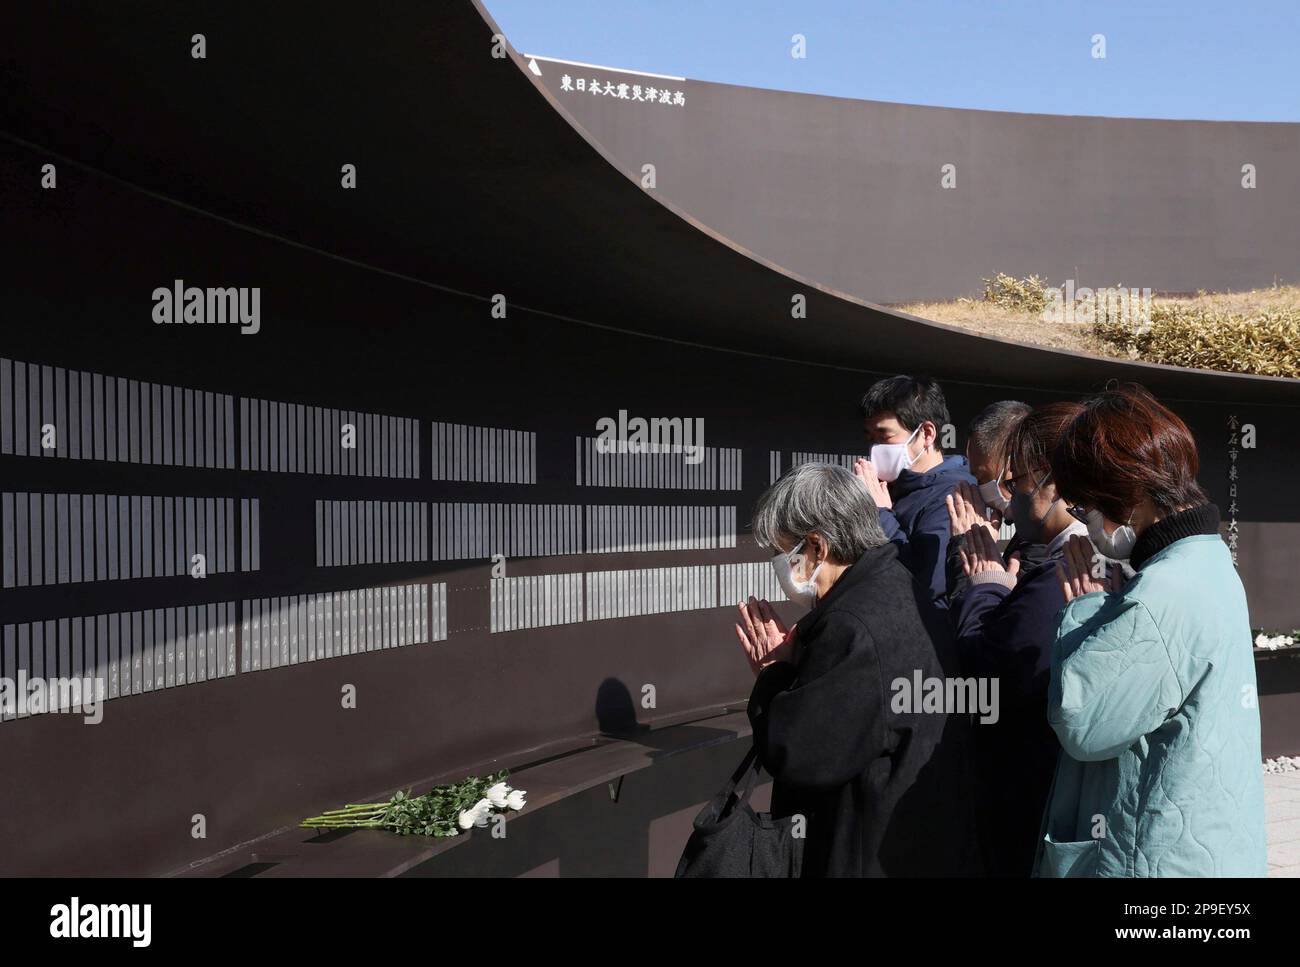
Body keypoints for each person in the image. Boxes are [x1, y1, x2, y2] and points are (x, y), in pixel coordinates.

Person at [1038, 384, 1267, 877]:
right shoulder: (1208, 560)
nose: (1087, 522)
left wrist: (1083, 611)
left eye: (1087, 506)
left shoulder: (1161, 594)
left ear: (1131, 492)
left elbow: (1084, 722)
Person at [734, 462, 982, 877]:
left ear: (816, 547)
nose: (778, 565)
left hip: (875, 850)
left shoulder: (853, 625)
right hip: (922, 839)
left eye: (781, 552)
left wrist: (774, 673)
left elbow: (801, 754)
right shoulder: (897, 584)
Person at [947, 402, 1089, 876]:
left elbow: (993, 672)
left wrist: (984, 586)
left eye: (1010, 482)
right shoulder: (1036, 551)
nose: (999, 495)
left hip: (1029, 787)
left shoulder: (1065, 564)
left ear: (1049, 479)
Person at [853, 375, 975, 607]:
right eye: (871, 438)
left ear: (927, 434)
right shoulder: (892, 485)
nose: (875, 448)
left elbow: (926, 584)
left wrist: (880, 513)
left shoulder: (952, 495)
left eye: (884, 436)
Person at [944, 400, 1037, 603]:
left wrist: (968, 550)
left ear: (1015, 463)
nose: (980, 489)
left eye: (983, 478)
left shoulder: (1044, 546)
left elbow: (978, 624)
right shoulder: (1029, 535)